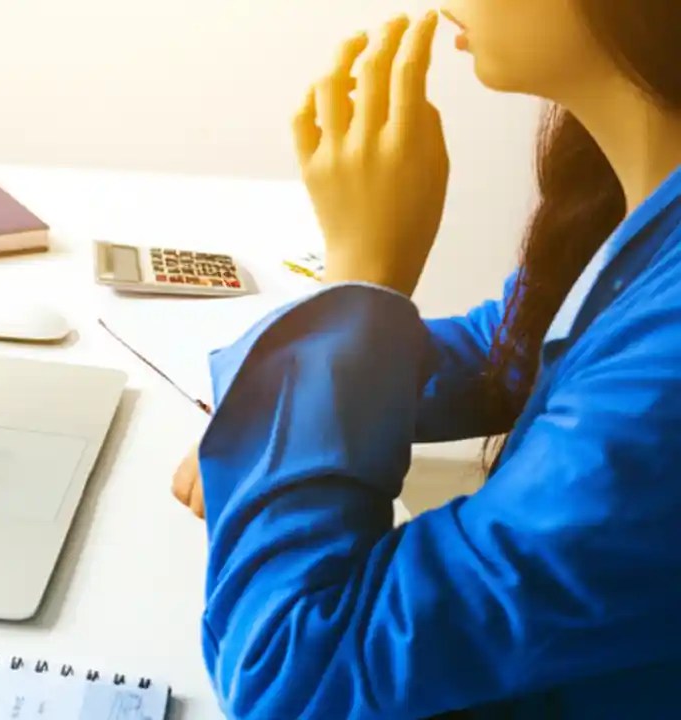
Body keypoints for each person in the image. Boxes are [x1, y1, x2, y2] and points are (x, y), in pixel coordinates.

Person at [171, 2, 681, 717]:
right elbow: (512, 349)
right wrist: (277, 416)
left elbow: (295, 672)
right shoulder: (638, 207)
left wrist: (364, 275)